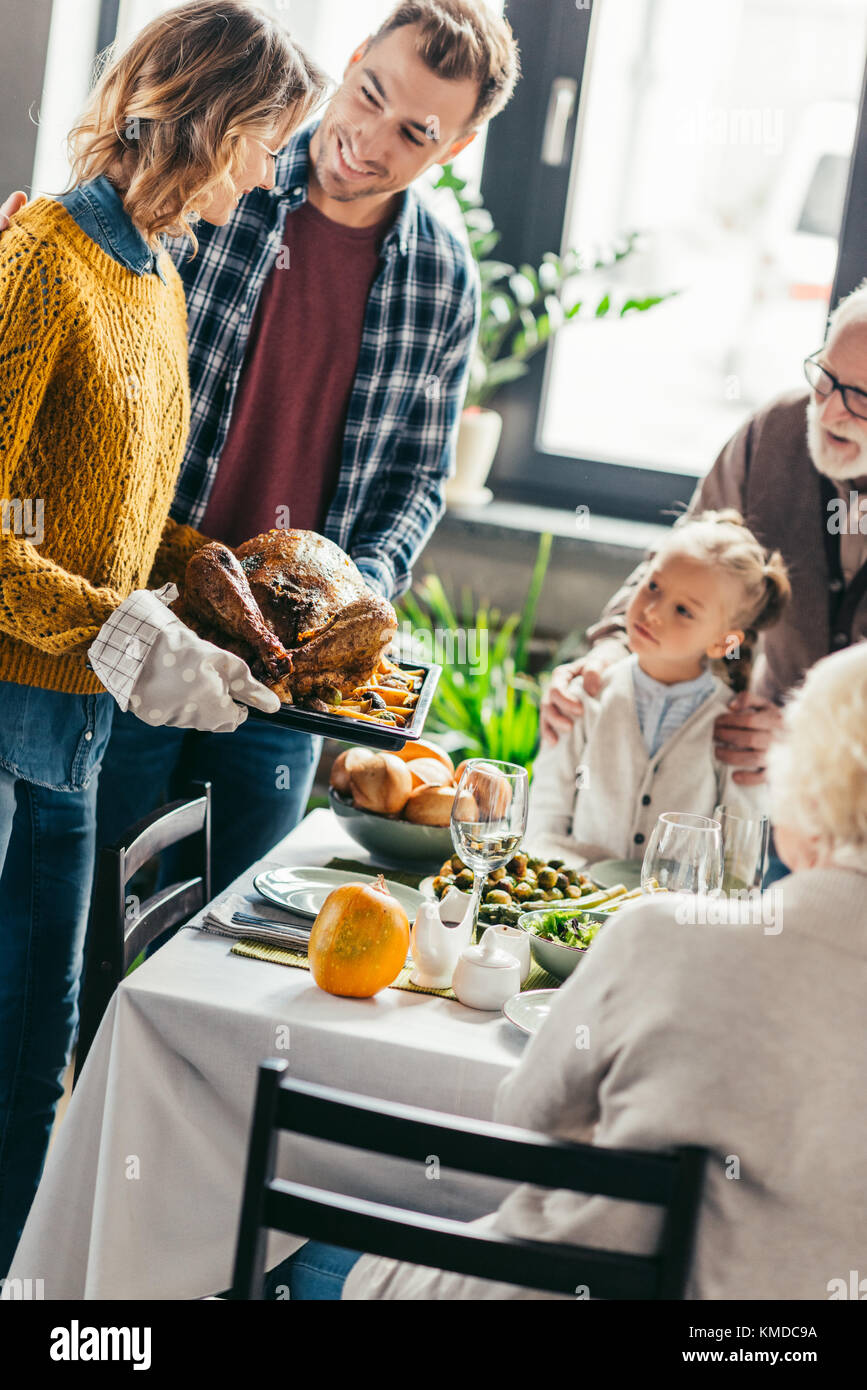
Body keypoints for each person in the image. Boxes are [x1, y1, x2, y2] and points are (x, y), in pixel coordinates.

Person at [0, 0, 521, 901]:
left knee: (237, 913)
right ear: (354, 58)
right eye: (367, 94)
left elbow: (417, 478)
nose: (367, 139)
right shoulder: (212, 175)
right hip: (141, 611)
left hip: (292, 677)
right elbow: (84, 273)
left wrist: (348, 602)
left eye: (414, 132)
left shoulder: (441, 278)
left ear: (457, 147)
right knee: (88, 910)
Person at [0, 0, 327, 1275]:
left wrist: (218, 580)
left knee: (43, 1055)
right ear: (200, 118)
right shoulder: (44, 266)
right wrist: (127, 632)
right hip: (22, 725)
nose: (264, 174)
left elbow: (123, 512)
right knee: (29, 1063)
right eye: (259, 141)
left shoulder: (158, 272)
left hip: (74, 724)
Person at [328, 638, 867, 1299]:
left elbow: (526, 1117)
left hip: (566, 1284)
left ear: (804, 793)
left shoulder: (659, 933)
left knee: (338, 1250)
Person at [540, 282, 867, 821]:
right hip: (756, 780)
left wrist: (809, 738)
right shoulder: (775, 433)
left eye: (860, 395)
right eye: (825, 377)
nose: (830, 411)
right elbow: (682, 559)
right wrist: (606, 656)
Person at [525, 511, 790, 864]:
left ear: (723, 643)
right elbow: (545, 816)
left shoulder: (736, 732)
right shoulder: (584, 696)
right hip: (576, 908)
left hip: (676, 917)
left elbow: (740, 857)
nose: (652, 611)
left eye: (683, 610)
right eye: (653, 586)